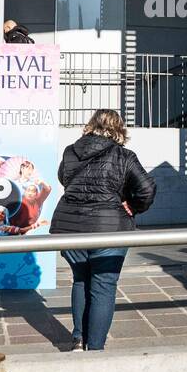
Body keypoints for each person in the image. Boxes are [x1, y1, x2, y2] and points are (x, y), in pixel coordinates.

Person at [50, 109, 156, 351]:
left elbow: (63, 179)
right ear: (119, 129)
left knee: (80, 280)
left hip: (70, 227)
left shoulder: (71, 152)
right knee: (103, 284)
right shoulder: (124, 156)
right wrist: (132, 205)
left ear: (91, 125)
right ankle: (95, 348)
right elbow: (147, 189)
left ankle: (78, 339)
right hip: (109, 230)